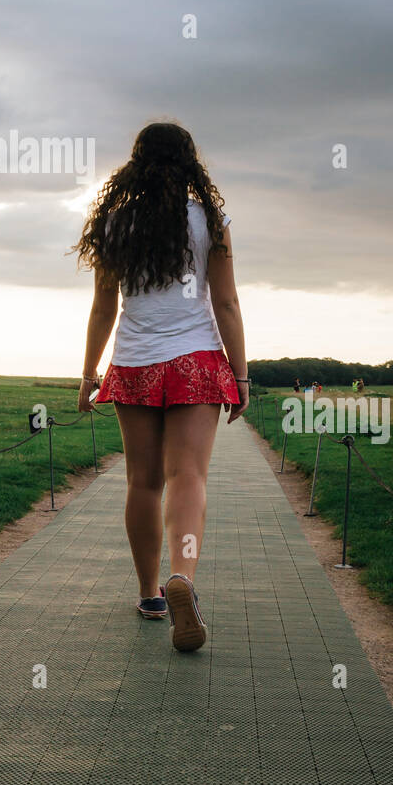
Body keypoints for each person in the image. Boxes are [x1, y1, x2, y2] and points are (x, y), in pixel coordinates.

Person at [73, 121, 248, 652]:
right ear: (189, 162)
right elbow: (226, 304)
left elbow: (104, 307)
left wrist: (87, 376)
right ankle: (183, 579)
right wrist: (240, 376)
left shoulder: (115, 224)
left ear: (136, 162)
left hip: (135, 362)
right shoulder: (210, 220)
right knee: (188, 475)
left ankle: (150, 594)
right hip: (196, 359)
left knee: (143, 482)